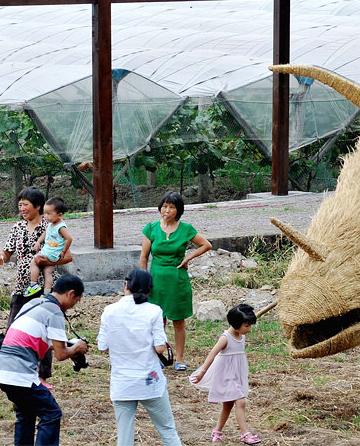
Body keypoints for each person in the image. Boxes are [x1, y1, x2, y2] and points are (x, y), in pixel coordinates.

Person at [0, 187, 74, 388]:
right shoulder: (17, 228)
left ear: (38, 206)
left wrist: (49, 260)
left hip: (45, 289)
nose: (22, 208)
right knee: (13, 331)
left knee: (44, 333)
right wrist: (1, 257)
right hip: (22, 287)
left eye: (25, 204)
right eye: (20, 204)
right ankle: (8, 374)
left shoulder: (52, 225)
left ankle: (42, 376)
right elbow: (8, 253)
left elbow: (69, 256)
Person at [0, 274, 89, 446]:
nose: (75, 306)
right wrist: (77, 347)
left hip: (1, 370)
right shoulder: (54, 312)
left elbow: (38, 340)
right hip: (19, 373)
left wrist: (70, 347)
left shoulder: (33, 303)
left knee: (26, 412)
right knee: (52, 413)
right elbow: (60, 355)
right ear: (70, 293)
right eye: (77, 300)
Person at [98, 269, 183, 446]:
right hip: (149, 381)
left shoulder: (109, 311)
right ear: (149, 290)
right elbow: (160, 348)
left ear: (126, 285)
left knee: (124, 438)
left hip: (122, 383)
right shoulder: (154, 311)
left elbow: (102, 346)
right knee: (168, 431)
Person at [139, 191, 212, 371]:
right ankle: (159, 356)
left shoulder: (186, 229)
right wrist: (143, 282)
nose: (167, 210)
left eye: (172, 207)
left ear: (178, 210)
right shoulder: (151, 228)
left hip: (177, 280)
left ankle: (179, 358)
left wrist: (188, 258)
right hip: (155, 280)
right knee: (158, 321)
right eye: (164, 206)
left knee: (178, 321)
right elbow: (143, 257)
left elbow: (206, 244)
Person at [189, 304, 261, 444]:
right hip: (226, 376)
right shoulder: (226, 338)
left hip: (236, 375)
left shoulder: (241, 335)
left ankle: (217, 431)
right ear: (235, 324)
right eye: (246, 326)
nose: (249, 329)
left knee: (228, 405)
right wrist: (202, 372)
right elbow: (212, 354)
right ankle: (245, 434)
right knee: (240, 401)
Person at [24, 197, 73, 298]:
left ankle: (33, 284)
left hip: (50, 252)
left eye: (49, 214)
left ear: (59, 215)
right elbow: (46, 233)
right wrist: (38, 242)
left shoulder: (61, 227)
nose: (45, 216)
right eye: (45, 213)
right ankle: (46, 293)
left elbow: (69, 239)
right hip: (54, 255)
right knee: (48, 272)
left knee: (34, 261)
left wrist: (63, 251)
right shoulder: (52, 224)